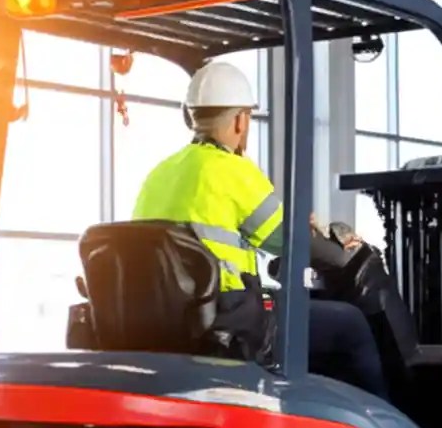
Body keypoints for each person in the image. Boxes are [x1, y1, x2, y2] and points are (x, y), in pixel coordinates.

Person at [131, 61, 388, 400]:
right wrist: (335, 246)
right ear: (240, 120)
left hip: (166, 324)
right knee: (350, 324)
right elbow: (292, 243)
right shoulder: (232, 170)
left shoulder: (157, 175)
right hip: (225, 322)